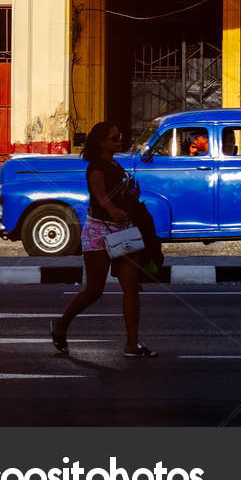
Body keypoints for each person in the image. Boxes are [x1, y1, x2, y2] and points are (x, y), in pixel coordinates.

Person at [50, 121, 157, 358]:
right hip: (99, 231)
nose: (120, 140)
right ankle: (61, 326)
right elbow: (100, 197)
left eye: (120, 136)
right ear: (101, 143)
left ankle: (132, 344)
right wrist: (113, 210)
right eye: (114, 138)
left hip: (123, 231)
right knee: (94, 290)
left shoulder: (114, 164)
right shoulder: (96, 168)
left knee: (131, 287)